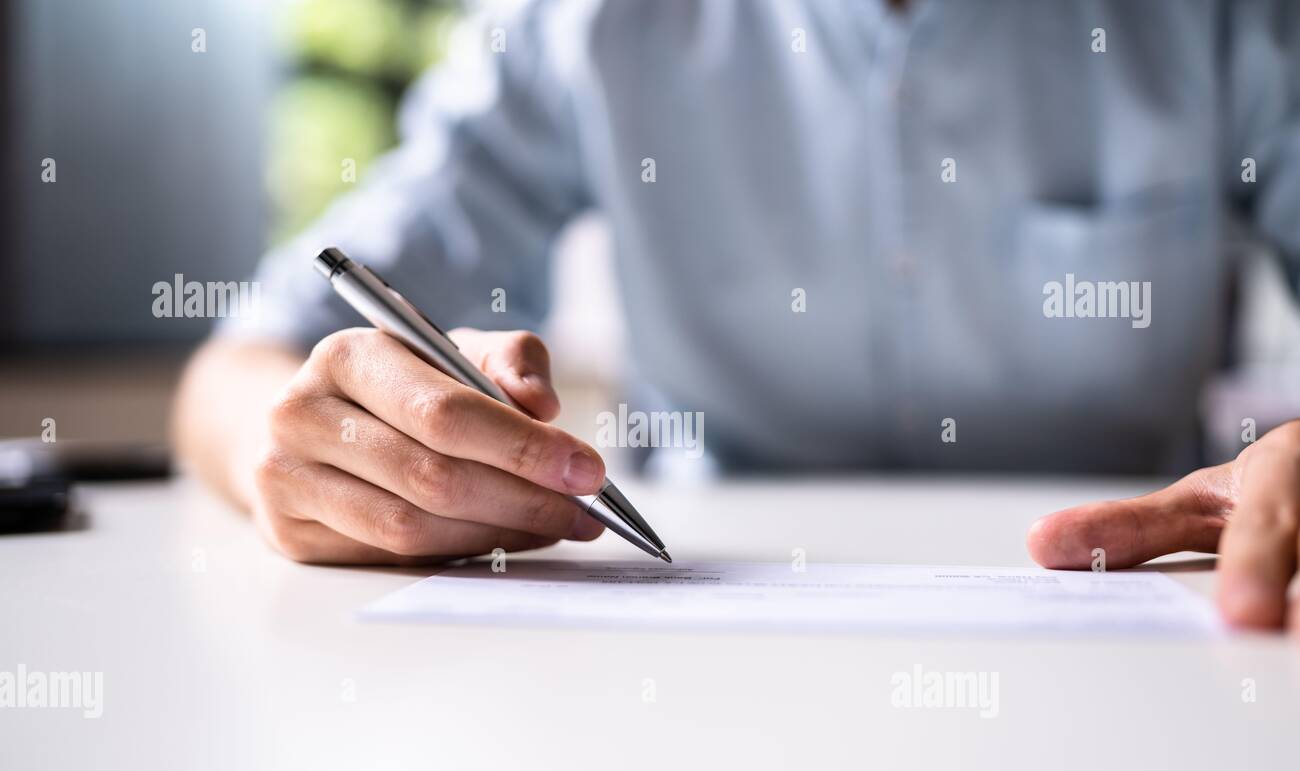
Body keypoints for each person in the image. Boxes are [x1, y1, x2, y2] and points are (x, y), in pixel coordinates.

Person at [173, 0, 1300, 631]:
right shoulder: (583, 25)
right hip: (693, 631)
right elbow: (241, 367)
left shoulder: (1225, 23)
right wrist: (311, 443)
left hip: (1145, 632)